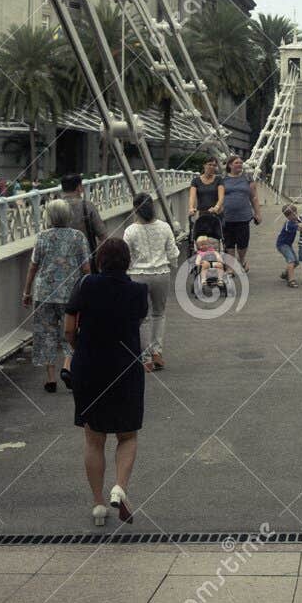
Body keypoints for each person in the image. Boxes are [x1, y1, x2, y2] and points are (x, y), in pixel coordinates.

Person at [63, 237, 148, 526]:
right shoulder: (138, 291)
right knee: (127, 435)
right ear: (128, 261)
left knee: (93, 438)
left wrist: (80, 351)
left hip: (89, 367)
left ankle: (99, 504)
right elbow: (134, 324)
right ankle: (120, 487)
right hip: (125, 367)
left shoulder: (86, 284)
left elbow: (69, 328)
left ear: (99, 261)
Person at [21, 198, 90, 392]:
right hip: (71, 293)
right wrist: (90, 289)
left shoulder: (42, 237)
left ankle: (50, 379)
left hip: (44, 293)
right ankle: (67, 366)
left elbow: (33, 267)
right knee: (72, 331)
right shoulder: (78, 237)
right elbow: (86, 267)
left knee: (46, 334)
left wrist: (27, 291)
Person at [122, 193, 175, 371]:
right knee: (159, 314)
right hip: (161, 273)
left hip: (138, 276)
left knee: (141, 317)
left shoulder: (130, 230)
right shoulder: (165, 227)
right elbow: (173, 253)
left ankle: (145, 358)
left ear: (135, 209)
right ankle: (157, 352)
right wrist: (171, 266)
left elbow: (126, 256)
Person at [220, 155, 261, 272]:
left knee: (243, 243)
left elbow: (254, 197)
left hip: (243, 216)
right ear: (229, 165)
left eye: (241, 163)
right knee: (229, 242)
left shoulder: (248, 178)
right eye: (237, 163)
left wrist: (258, 213)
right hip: (226, 216)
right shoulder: (222, 179)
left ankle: (242, 260)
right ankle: (230, 266)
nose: (240, 165)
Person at [58, 173, 106, 256]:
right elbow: (103, 236)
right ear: (79, 188)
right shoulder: (87, 206)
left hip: (61, 261)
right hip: (86, 260)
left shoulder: (53, 208)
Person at [189, 156, 225, 224]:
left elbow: (221, 197)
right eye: (210, 164)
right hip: (202, 213)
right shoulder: (195, 181)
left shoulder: (219, 179)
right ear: (204, 165)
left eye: (214, 165)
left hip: (216, 213)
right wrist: (191, 207)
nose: (212, 167)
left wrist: (216, 207)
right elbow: (192, 196)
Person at [275, 204, 301, 288]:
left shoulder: (295, 220)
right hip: (282, 245)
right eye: (292, 215)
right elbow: (299, 227)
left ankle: (286, 274)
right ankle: (291, 280)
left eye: (296, 213)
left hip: (288, 244)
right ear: (287, 216)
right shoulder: (289, 224)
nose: (295, 215)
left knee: (296, 262)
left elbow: (301, 221)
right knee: (291, 260)